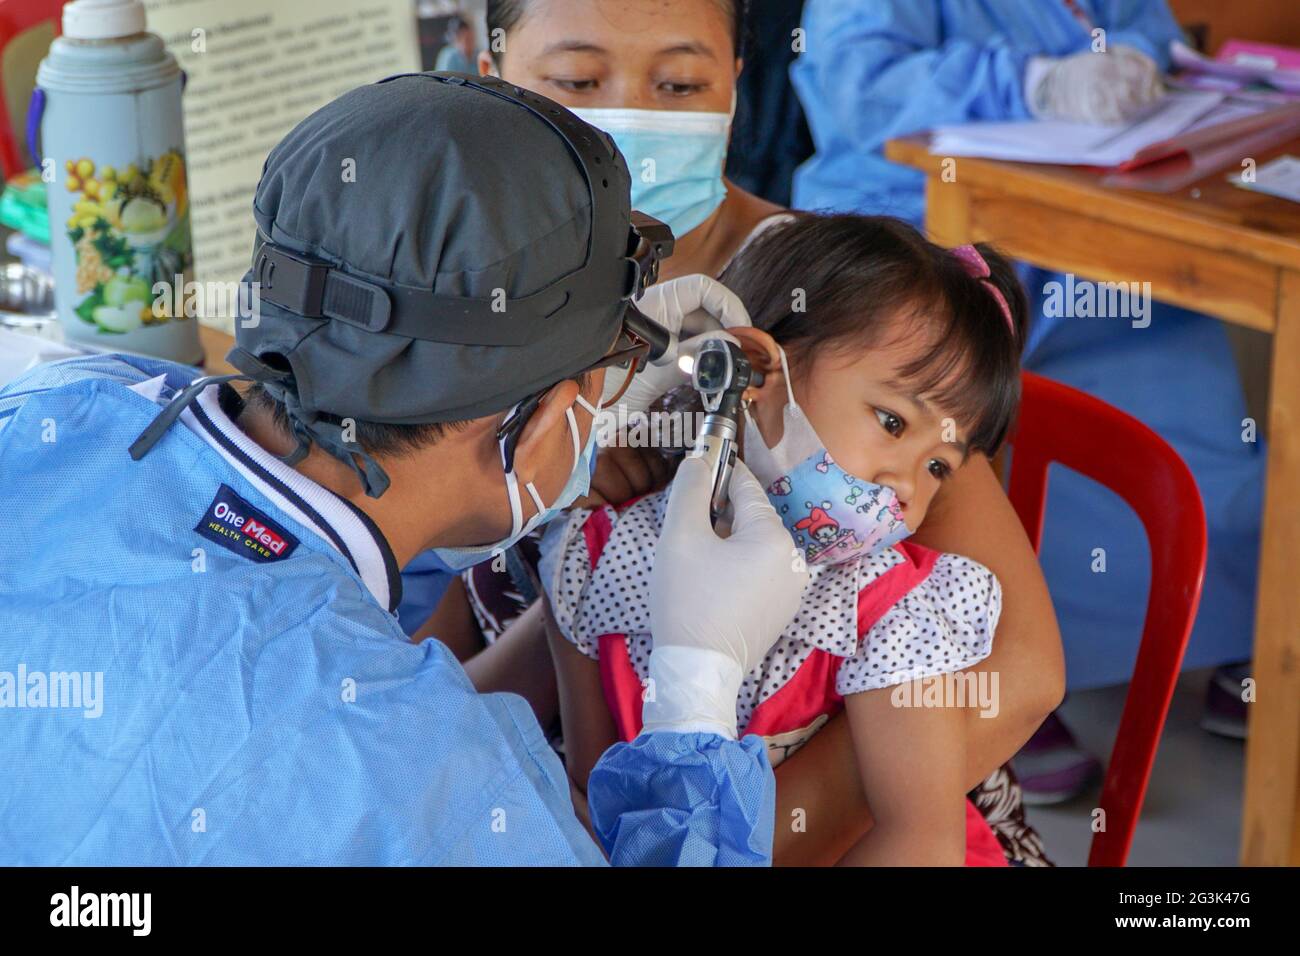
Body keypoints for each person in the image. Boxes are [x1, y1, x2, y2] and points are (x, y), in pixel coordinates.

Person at [0, 74, 810, 865]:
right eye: (604, 382)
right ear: (534, 432)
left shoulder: (63, 408)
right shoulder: (431, 776)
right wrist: (695, 693)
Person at [421, 0, 1064, 865]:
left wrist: (713, 842)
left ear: (736, 87)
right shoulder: (470, 305)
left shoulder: (838, 315)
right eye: (576, 80)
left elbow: (1021, 675)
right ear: (488, 84)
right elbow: (478, 604)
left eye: (680, 82)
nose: (628, 116)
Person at [790, 0, 1265, 800]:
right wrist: (1031, 83)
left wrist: (1139, 65)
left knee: (1190, 383)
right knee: (949, 430)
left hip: (1099, 223)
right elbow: (857, 85)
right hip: (921, 227)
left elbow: (1153, 36)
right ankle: (985, 662)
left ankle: (1230, 632)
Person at [543, 214, 1047, 865]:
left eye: (938, 468)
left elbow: (921, 839)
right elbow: (599, 797)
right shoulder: (595, 559)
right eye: (893, 421)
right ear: (753, 368)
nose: (907, 488)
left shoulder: (891, 608)